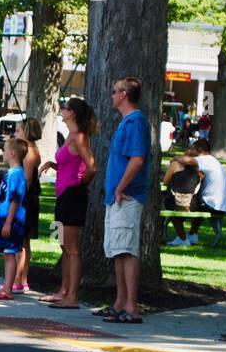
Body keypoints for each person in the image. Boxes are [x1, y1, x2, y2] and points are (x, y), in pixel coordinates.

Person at [39, 97, 99, 309]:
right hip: (62, 195)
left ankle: (72, 297)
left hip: (73, 196)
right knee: (63, 245)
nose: (61, 110)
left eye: (64, 107)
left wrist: (81, 183)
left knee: (73, 249)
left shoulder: (80, 138)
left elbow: (92, 167)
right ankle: (62, 291)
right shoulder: (69, 137)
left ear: (72, 112)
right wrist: (53, 165)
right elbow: (70, 164)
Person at [102, 76, 151, 324]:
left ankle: (132, 306)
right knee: (118, 251)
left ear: (123, 94)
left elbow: (137, 159)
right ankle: (120, 302)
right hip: (116, 198)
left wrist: (121, 187)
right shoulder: (126, 123)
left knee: (127, 250)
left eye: (113, 91)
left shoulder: (136, 122)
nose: (111, 95)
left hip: (128, 196)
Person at [0, 138, 30, 300]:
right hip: (4, 220)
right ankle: (6, 286)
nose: (3, 153)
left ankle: (8, 290)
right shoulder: (12, 173)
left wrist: (8, 222)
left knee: (10, 253)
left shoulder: (17, 174)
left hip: (12, 222)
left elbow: (15, 200)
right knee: (7, 254)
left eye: (5, 150)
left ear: (12, 153)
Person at [166, 138, 226, 246]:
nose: (190, 150)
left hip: (211, 203)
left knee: (171, 205)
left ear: (199, 149)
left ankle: (182, 239)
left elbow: (185, 160)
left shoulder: (203, 159)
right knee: (196, 203)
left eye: (192, 148)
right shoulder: (212, 160)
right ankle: (192, 234)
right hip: (222, 204)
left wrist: (176, 158)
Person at [14, 117, 43, 293]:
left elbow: (27, 180)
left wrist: (17, 201)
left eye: (18, 131)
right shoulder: (30, 150)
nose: (15, 134)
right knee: (25, 242)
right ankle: (23, 279)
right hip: (30, 199)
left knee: (21, 242)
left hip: (27, 200)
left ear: (26, 132)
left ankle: (18, 279)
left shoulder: (30, 153)